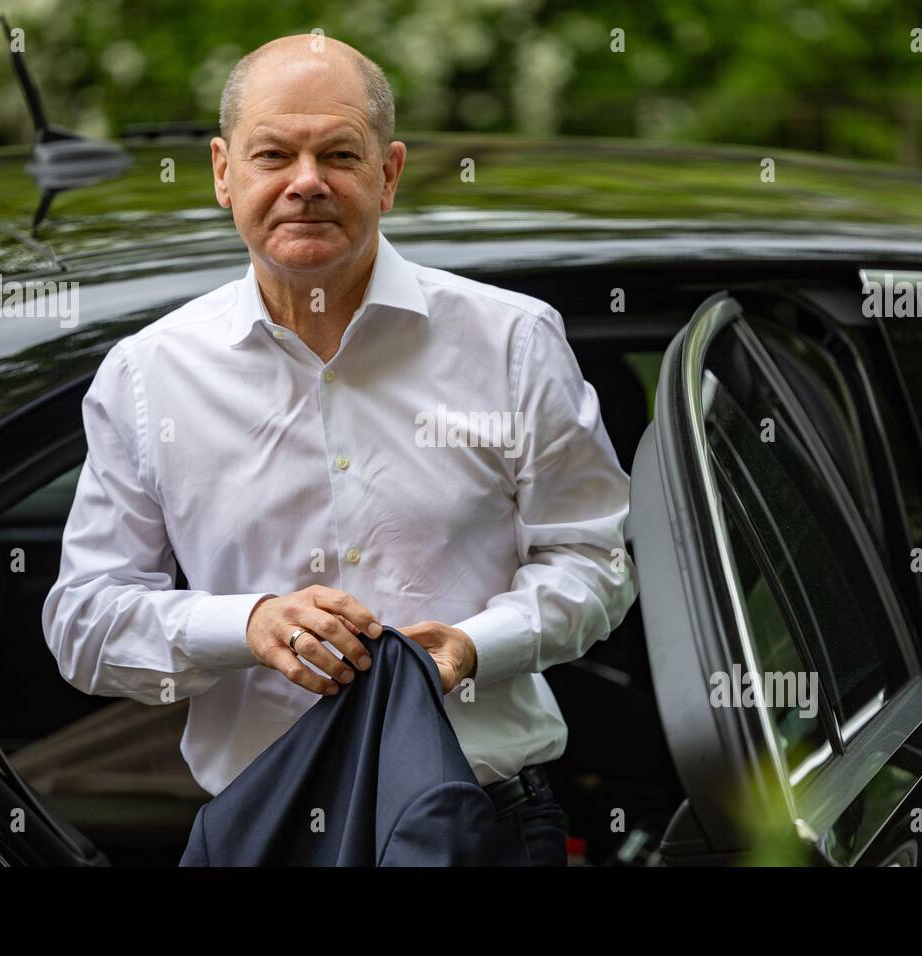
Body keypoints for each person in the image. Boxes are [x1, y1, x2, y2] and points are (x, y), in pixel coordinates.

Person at [42, 32, 637, 866]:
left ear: (388, 174)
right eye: (273, 153)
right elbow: (83, 622)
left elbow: (595, 566)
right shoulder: (149, 374)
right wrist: (245, 625)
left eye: (339, 154)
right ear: (223, 172)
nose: (306, 182)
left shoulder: (511, 341)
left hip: (480, 826)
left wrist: (473, 649)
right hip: (263, 830)